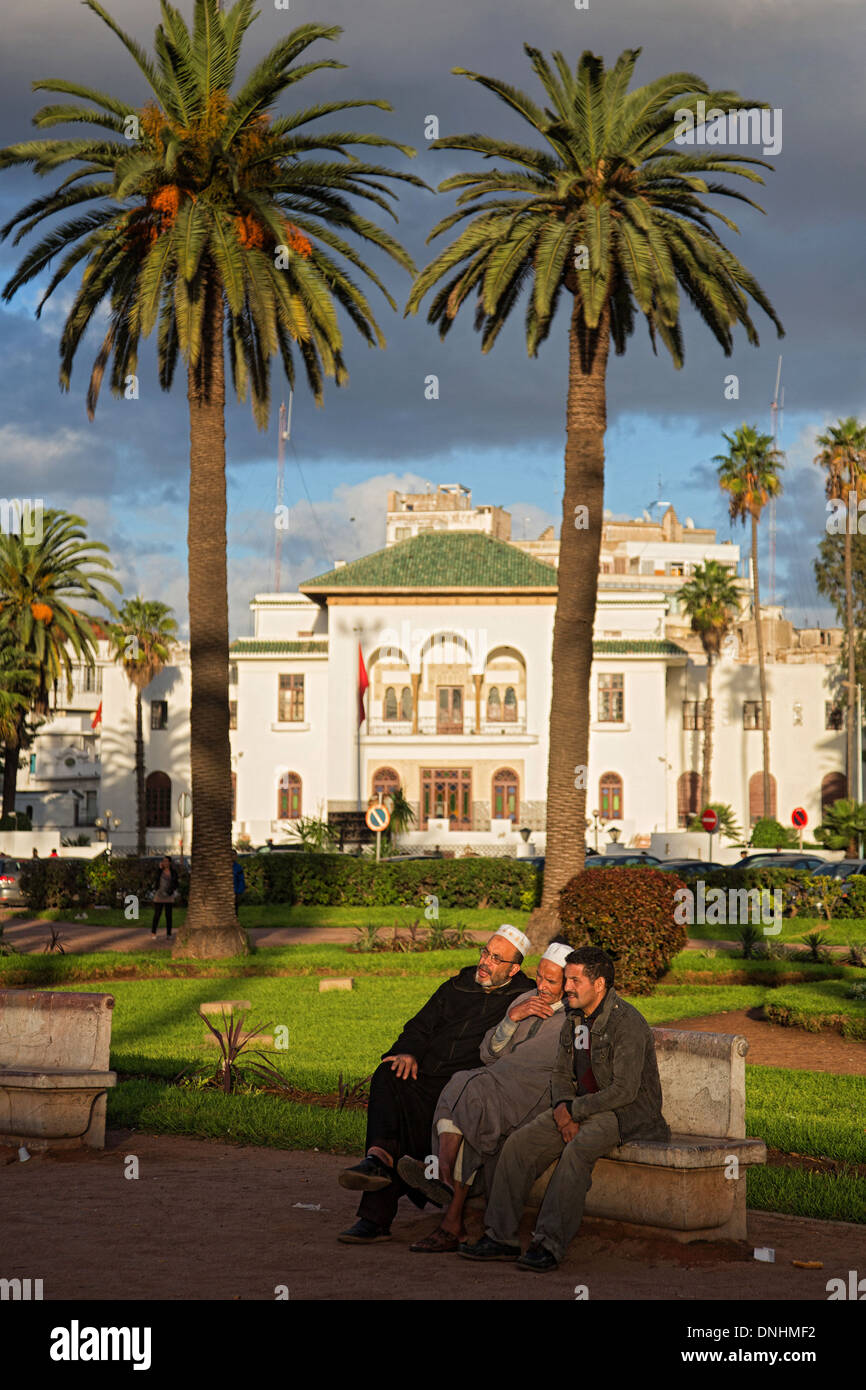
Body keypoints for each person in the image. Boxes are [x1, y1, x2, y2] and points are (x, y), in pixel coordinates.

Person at [459, 945, 669, 1272]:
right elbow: (561, 1072)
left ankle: (548, 1243)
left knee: (577, 1149)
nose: (566, 987)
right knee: (520, 1144)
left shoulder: (627, 1023)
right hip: (579, 1107)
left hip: (626, 1114)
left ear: (598, 984)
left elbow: (624, 1091)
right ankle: (501, 1236)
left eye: (574, 980)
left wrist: (574, 1110)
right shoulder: (574, 1019)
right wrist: (561, 1108)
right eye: (566, 979)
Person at [336, 925, 532, 1245]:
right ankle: (379, 1158)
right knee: (389, 1073)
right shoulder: (455, 986)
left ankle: (375, 1211)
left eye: (497, 959)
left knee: (403, 1132)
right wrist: (407, 1052)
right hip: (424, 1076)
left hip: (462, 1088)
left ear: (514, 968)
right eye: (485, 952)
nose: (486, 962)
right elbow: (420, 1026)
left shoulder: (523, 997)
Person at [398, 939, 571, 1252]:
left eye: (551, 981)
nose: (541, 986)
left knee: (468, 1086)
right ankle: (451, 1214)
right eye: (540, 977)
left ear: (569, 982)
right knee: (466, 1089)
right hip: (496, 1085)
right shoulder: (523, 1000)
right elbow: (488, 1052)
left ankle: (443, 1175)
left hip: (532, 1095)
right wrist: (511, 1019)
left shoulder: (574, 1018)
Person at [151, 856, 179, 938]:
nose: (165, 863)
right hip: (159, 895)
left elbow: (176, 883)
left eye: (166, 861)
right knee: (157, 915)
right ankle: (153, 932)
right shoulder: (159, 872)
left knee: (168, 915)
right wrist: (159, 869)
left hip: (169, 896)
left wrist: (172, 890)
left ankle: (169, 933)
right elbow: (155, 879)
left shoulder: (173, 872)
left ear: (170, 862)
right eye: (163, 861)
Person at [232, 850, 246, 915]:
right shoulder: (225, 867)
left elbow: (241, 880)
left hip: (236, 891)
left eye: (234, 855)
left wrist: (239, 892)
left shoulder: (238, 867)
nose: (233, 857)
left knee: (235, 908)